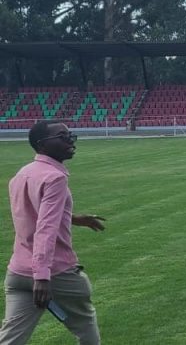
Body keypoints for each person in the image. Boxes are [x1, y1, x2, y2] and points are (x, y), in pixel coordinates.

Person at [0, 121, 106, 345]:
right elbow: (45, 229)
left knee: (11, 339)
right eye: (62, 137)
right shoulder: (55, 178)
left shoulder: (22, 173)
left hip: (18, 273)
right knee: (85, 326)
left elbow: (31, 215)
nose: (70, 141)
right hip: (55, 273)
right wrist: (41, 276)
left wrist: (74, 218)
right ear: (42, 145)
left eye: (70, 135)